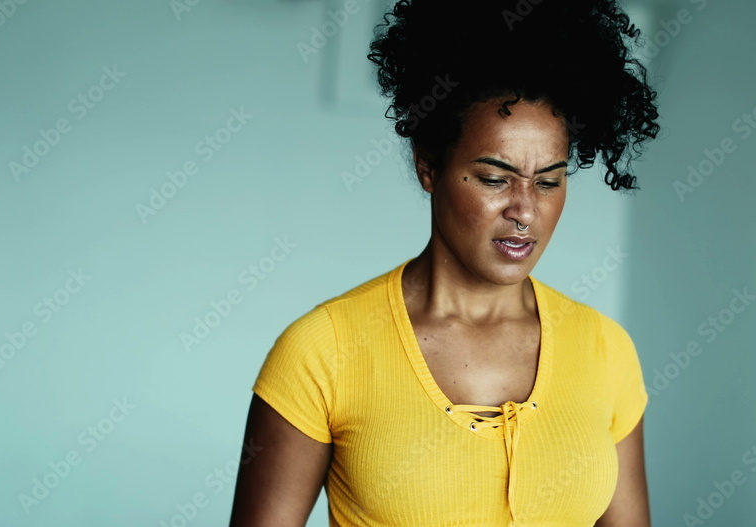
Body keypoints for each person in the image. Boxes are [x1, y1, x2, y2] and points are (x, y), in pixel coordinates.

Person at [229, 0, 660, 525]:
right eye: (494, 179)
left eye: (548, 181)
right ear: (428, 167)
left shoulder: (605, 350)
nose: (525, 209)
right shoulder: (324, 351)